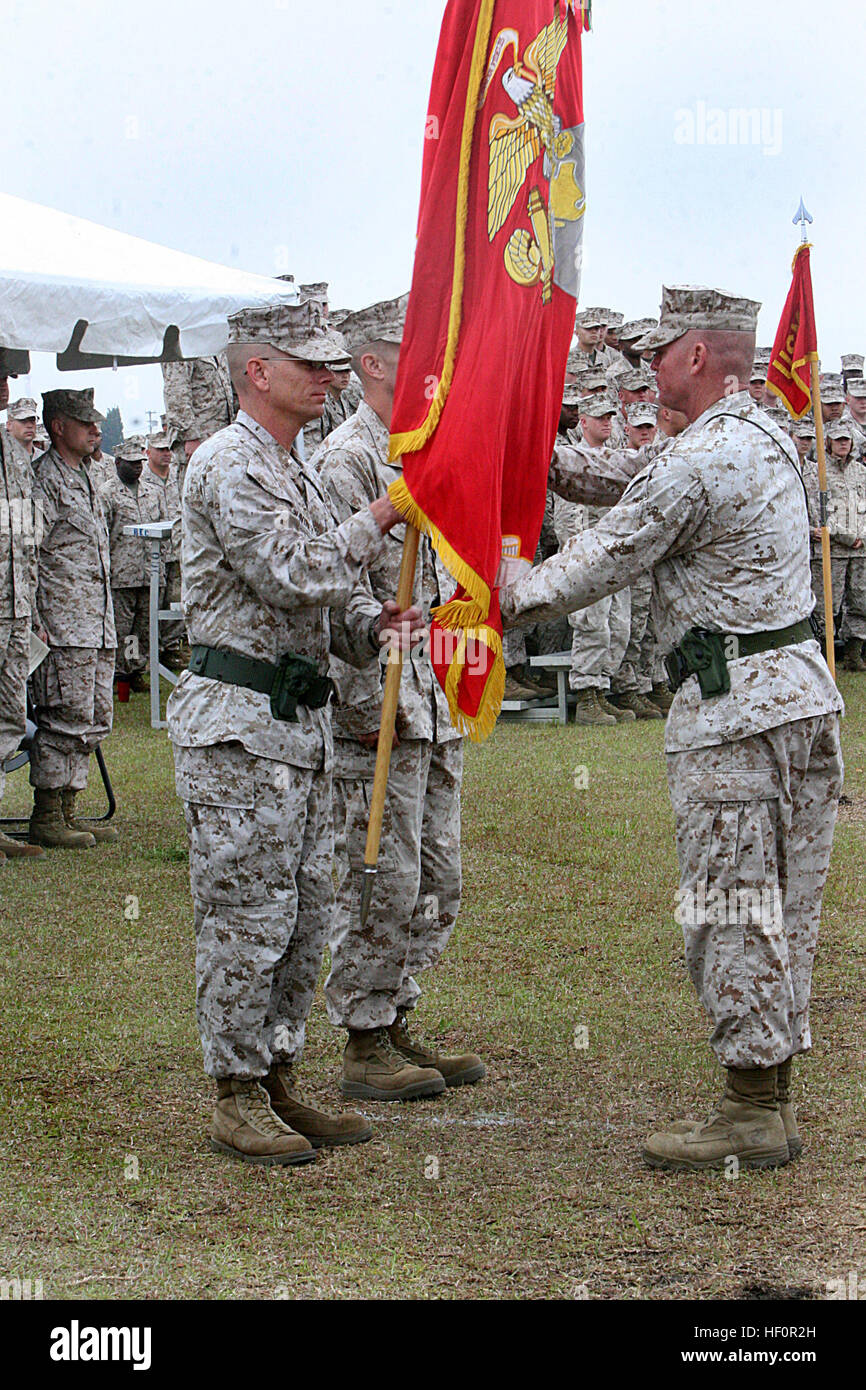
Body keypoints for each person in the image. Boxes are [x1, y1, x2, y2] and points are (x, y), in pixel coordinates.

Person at [500, 285, 844, 1171]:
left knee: (730, 902)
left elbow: (592, 563)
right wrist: (522, 447)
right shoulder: (762, 432)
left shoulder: (697, 463)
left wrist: (498, 581)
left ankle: (751, 1108)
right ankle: (767, 1086)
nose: (647, 371)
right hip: (798, 693)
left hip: (736, 714)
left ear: (696, 356)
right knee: (783, 904)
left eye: (658, 354)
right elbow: (620, 478)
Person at [166, 298, 423, 1165]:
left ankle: (276, 1077)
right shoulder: (226, 464)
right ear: (256, 372)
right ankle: (234, 1093)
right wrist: (384, 514)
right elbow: (290, 569)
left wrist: (371, 624)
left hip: (298, 728)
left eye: (333, 362)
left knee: (308, 913)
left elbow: (325, 597)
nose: (332, 375)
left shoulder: (296, 463)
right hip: (240, 729)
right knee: (247, 913)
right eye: (309, 363)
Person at [312, 295, 484, 1101]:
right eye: (415, 348)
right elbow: (322, 581)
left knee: (439, 878)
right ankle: (363, 1036)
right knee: (383, 872)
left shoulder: (425, 446)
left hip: (433, 692)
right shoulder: (346, 460)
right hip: (374, 697)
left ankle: (396, 1012)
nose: (436, 363)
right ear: (373, 363)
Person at [29, 390, 117, 849]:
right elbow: (30, 554)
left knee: (94, 717)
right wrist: (37, 617)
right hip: (63, 622)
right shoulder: (42, 480)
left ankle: (69, 809)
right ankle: (47, 813)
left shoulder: (86, 474)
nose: (95, 430)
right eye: (85, 422)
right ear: (59, 427)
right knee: (63, 716)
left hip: (96, 621)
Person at [0, 371, 44, 860]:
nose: (4, 383)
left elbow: (24, 534)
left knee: (8, 716)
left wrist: (28, 604)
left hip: (13, 610)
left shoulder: (15, 456)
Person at [100, 435, 167, 691]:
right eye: (131, 463)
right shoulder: (107, 493)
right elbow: (103, 534)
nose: (137, 467)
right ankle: (121, 675)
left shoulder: (154, 491)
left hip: (151, 572)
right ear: (118, 463)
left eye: (139, 462)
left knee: (145, 626)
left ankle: (137, 670)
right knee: (123, 629)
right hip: (122, 573)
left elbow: (165, 526)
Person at [803, 419, 866, 671]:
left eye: (846, 440)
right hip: (832, 550)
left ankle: (854, 653)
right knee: (826, 606)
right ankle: (821, 656)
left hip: (861, 550)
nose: (843, 444)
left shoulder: (861, 472)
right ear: (827, 442)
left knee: (861, 602)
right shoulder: (817, 473)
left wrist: (862, 537)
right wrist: (846, 537)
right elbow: (820, 515)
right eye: (838, 439)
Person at [139, 430, 185, 669]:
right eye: (161, 449)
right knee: (152, 606)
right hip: (152, 553)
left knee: (177, 602)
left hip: (178, 550)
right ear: (148, 452)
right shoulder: (141, 479)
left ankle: (170, 648)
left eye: (168, 449)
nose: (167, 454)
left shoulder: (180, 475)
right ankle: (147, 655)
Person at [4, 397, 40, 470]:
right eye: (23, 420)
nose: (29, 425)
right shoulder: (4, 459)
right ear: (9, 425)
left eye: (32, 420)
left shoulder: (44, 458)